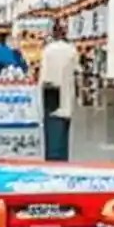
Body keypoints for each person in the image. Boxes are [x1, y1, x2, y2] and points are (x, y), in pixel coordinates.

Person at [39, 22, 77, 162]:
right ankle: (63, 160)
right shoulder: (71, 50)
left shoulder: (48, 50)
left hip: (51, 93)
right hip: (66, 95)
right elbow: (76, 70)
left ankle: (52, 160)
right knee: (64, 133)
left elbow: (43, 76)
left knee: (51, 131)